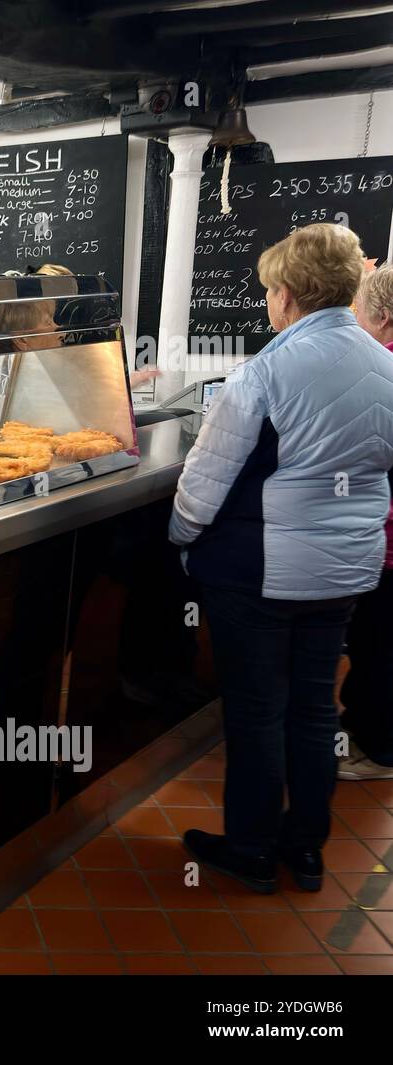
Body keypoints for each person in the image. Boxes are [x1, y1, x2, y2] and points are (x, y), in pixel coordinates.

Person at [169, 224, 393, 893]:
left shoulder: (265, 372)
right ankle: (306, 848)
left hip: (264, 573)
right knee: (315, 710)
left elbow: (203, 485)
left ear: (287, 294)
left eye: (270, 290)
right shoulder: (385, 365)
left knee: (257, 710)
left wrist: (182, 539)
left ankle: (251, 846)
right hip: (347, 570)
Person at [339, 264, 393, 780]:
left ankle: (376, 750)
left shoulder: (380, 371)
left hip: (386, 543)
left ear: (381, 316)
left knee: (378, 648)